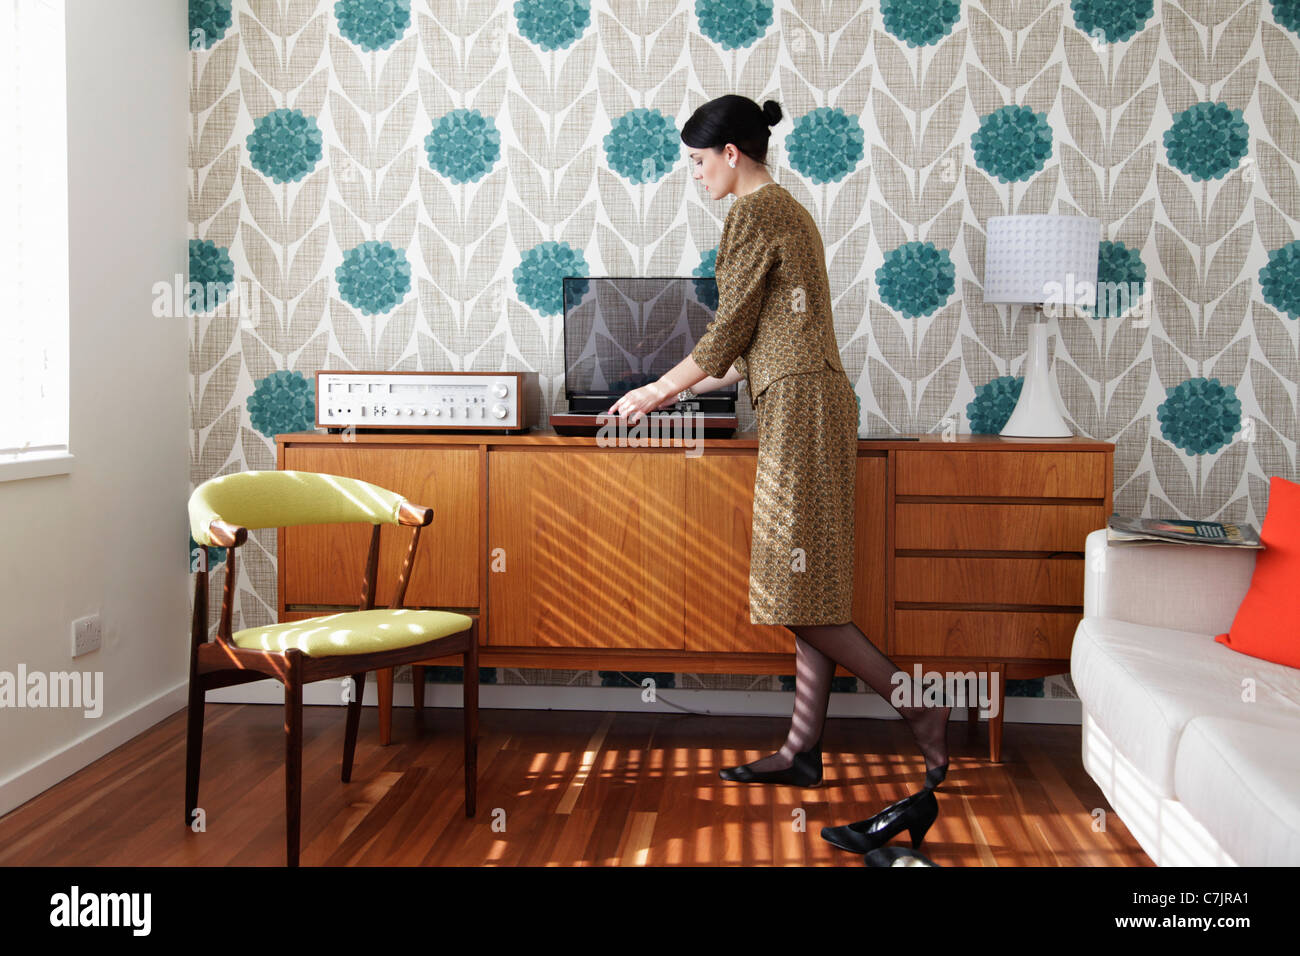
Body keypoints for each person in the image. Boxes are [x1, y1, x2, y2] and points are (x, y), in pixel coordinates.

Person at [607, 95, 952, 854]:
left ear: (732, 152)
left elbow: (726, 334)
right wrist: (675, 385)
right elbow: (749, 352)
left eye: (698, 162)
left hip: (801, 405)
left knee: (799, 591)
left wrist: (654, 390)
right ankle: (801, 750)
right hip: (807, 395)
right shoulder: (788, 211)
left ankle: (919, 707)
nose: (694, 177)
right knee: (811, 583)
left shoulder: (755, 215)